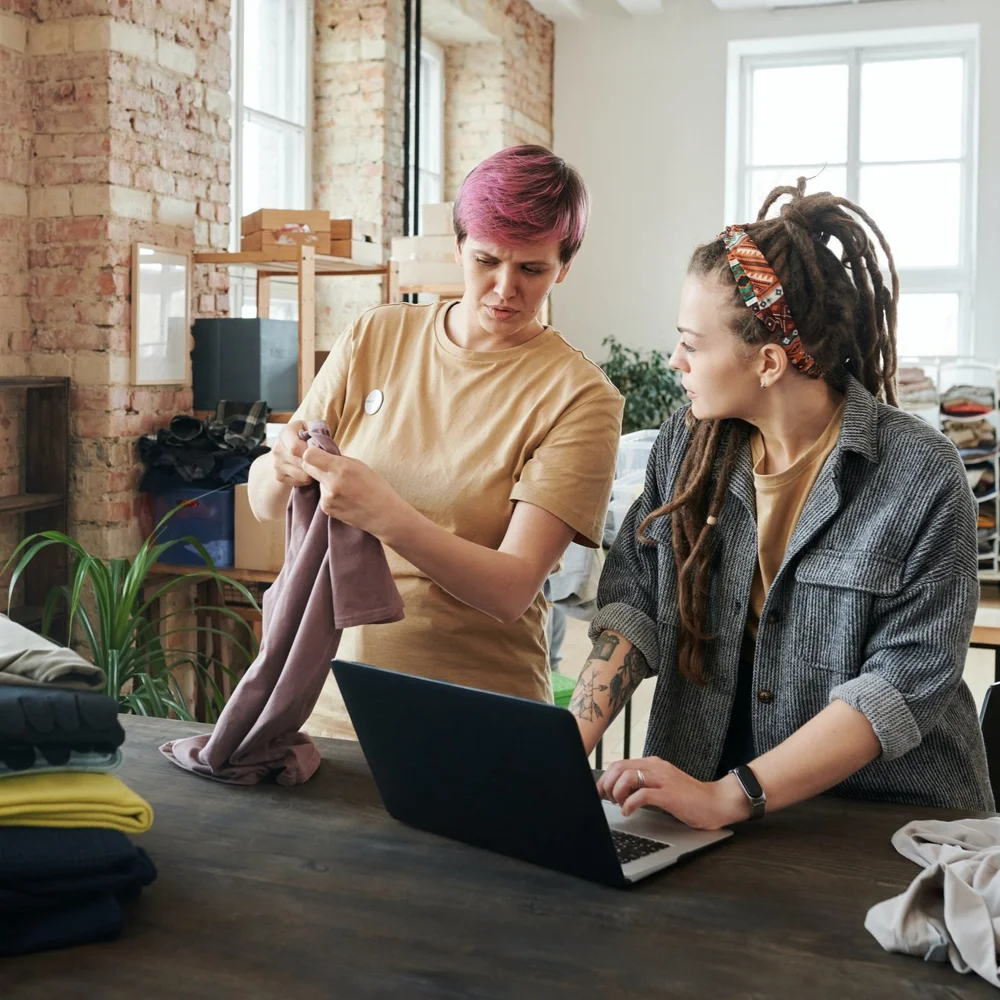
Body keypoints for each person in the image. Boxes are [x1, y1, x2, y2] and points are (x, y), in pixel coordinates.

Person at [569, 179, 993, 827]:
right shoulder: (686, 445)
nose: (675, 360)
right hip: (704, 786)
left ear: (769, 363)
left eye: (692, 342)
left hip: (881, 820)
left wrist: (729, 796)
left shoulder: (920, 475)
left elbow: (900, 684)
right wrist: (564, 746)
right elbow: (636, 603)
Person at [246, 145, 623, 730]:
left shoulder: (580, 397)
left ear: (564, 267)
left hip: (471, 717)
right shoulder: (375, 335)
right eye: (486, 260)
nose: (504, 288)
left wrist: (386, 514)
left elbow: (511, 589)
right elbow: (264, 503)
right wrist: (282, 464)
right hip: (325, 704)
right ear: (458, 247)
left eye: (532, 270)